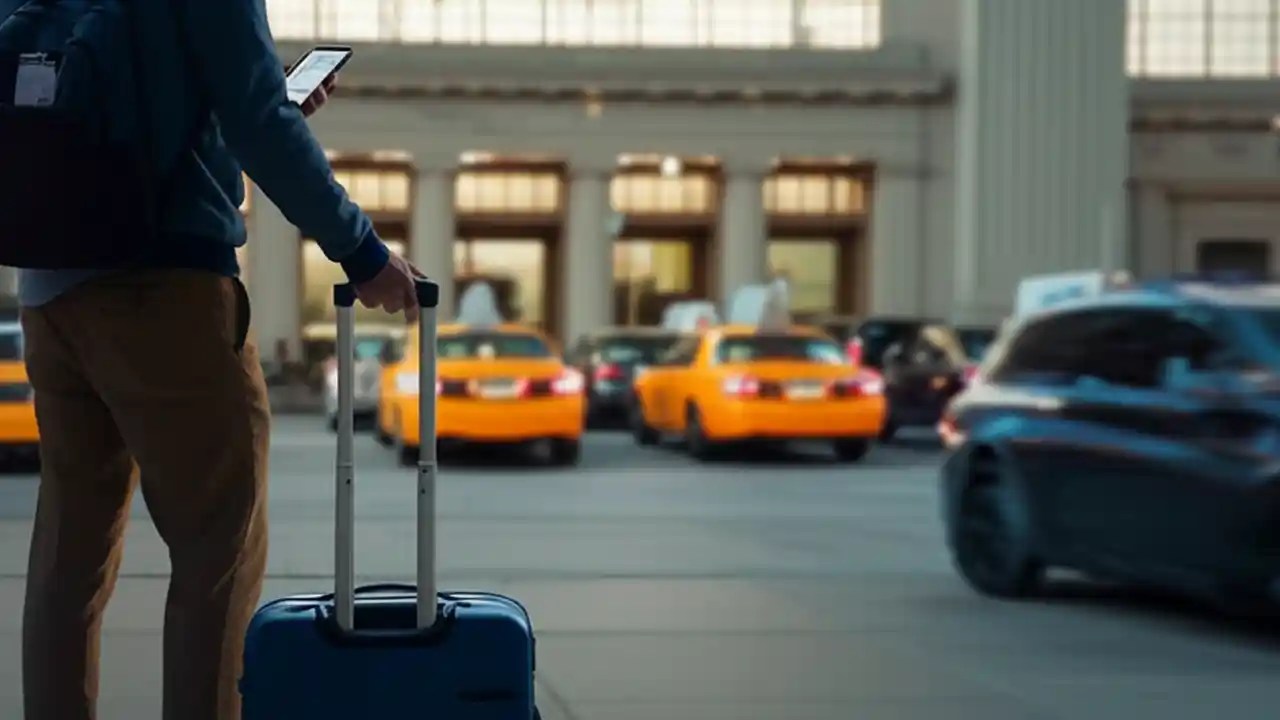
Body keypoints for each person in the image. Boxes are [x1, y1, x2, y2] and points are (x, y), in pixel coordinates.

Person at [3, 1, 422, 719]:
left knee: (67, 561)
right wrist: (363, 251)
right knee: (218, 553)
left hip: (48, 295)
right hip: (165, 291)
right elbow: (259, 121)